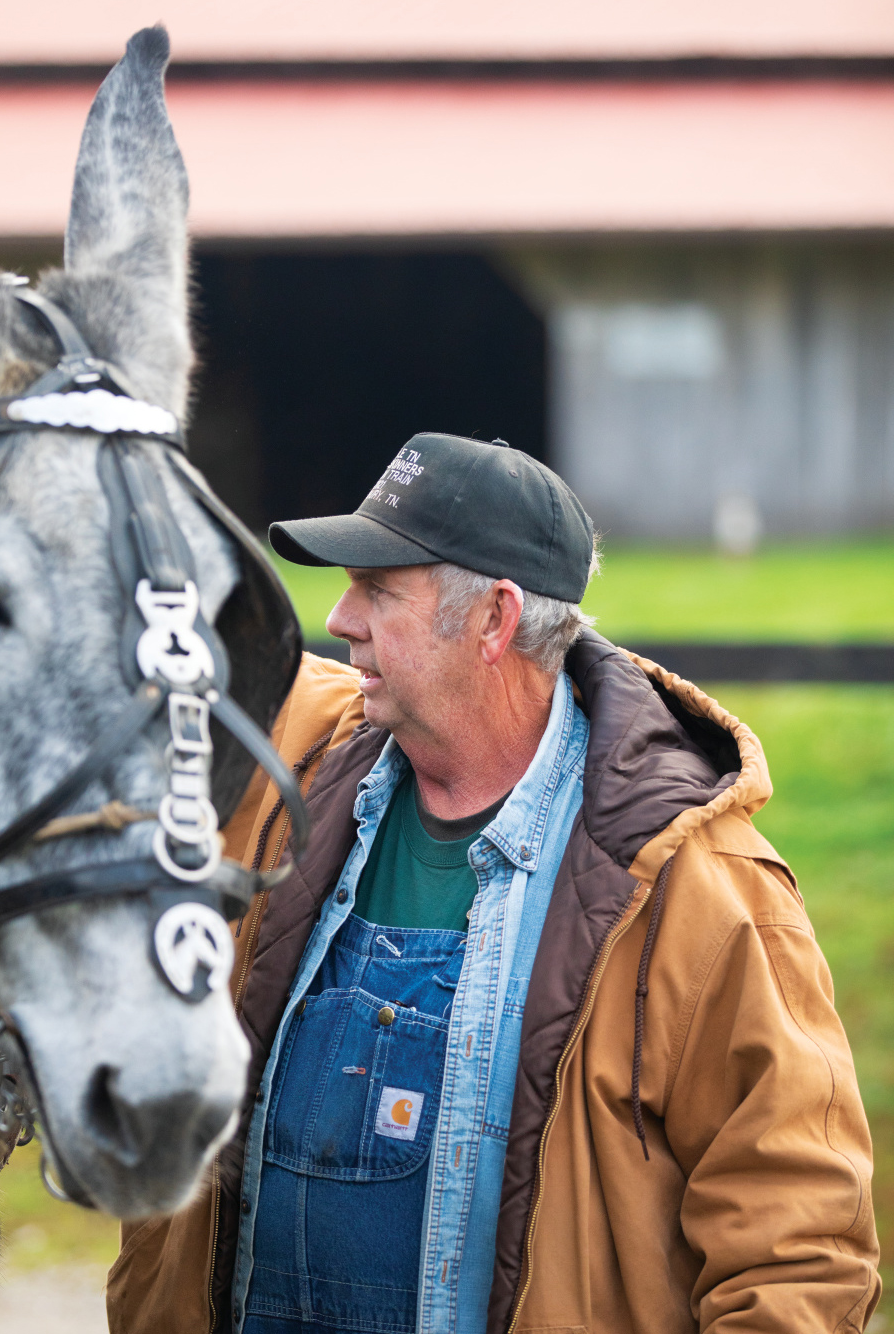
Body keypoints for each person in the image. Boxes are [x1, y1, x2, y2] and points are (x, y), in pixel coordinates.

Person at [108, 433, 880, 1334]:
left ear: (493, 621)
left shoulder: (702, 893)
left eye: (379, 590)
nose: (342, 619)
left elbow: (797, 1251)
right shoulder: (293, 763)